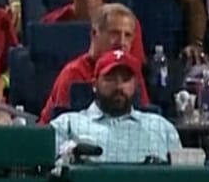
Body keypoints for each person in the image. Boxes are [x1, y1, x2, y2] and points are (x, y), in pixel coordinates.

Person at [49, 48, 181, 162]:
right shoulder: (67, 124)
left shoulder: (162, 128)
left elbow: (181, 176)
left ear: (136, 86)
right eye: (110, 79)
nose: (119, 86)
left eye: (125, 80)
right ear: (94, 84)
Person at [40, 2, 148, 121]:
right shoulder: (74, 73)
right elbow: (62, 124)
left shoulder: (132, 72)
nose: (122, 42)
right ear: (94, 34)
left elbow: (142, 116)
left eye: (127, 35)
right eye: (114, 33)